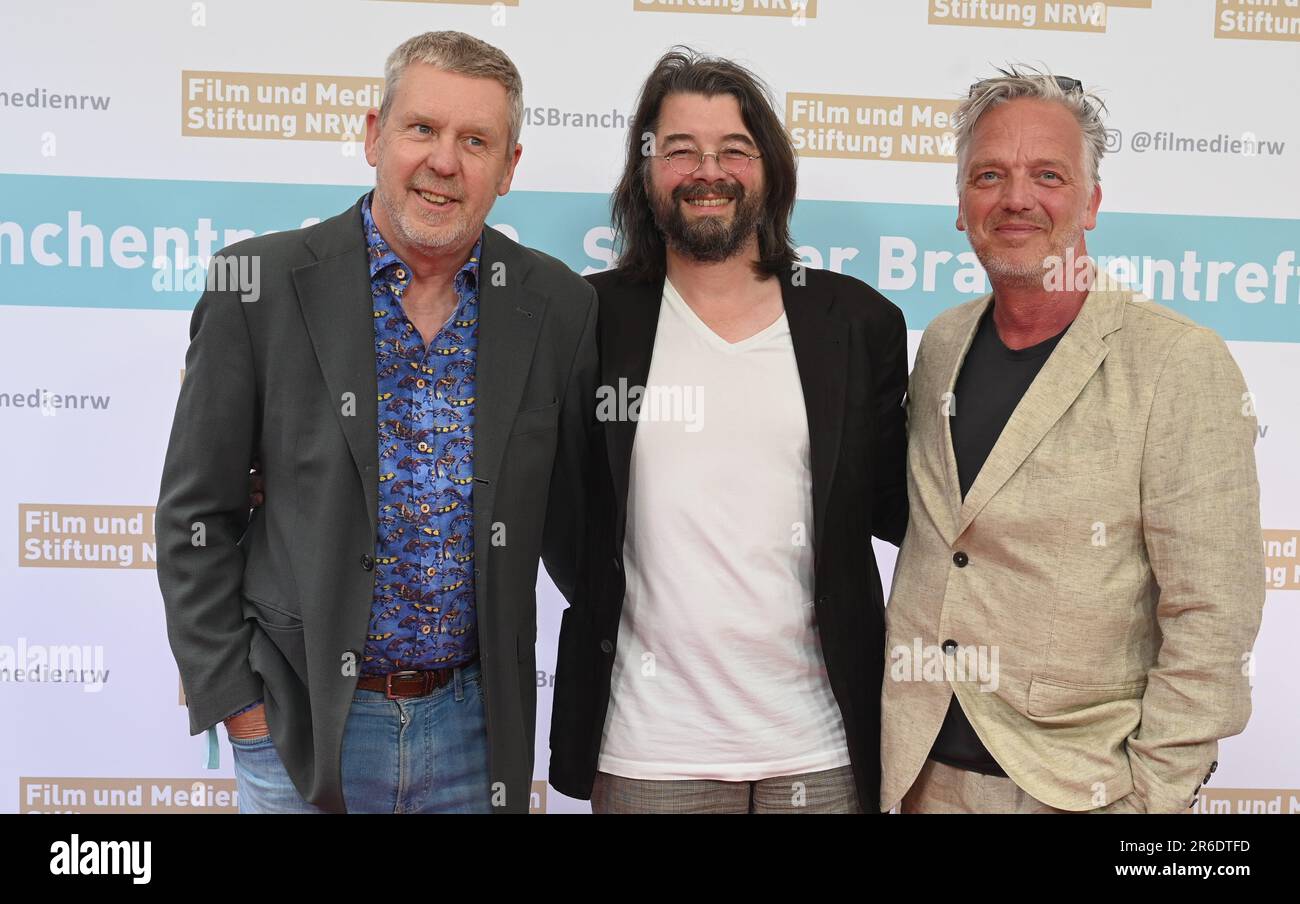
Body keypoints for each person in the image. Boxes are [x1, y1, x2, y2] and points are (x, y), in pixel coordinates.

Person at [157, 30, 596, 813]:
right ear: (374, 136)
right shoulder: (258, 286)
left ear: (508, 168)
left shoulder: (558, 306)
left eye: (476, 141)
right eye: (422, 128)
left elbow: (577, 525)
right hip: (302, 724)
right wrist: (238, 703)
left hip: (474, 732)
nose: (443, 162)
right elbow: (196, 514)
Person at [881, 66, 1265, 813]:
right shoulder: (941, 345)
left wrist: (1152, 798)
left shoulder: (1177, 362)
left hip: (1079, 789)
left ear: (1090, 201)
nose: (1016, 198)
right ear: (961, 204)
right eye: (989, 175)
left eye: (1048, 175)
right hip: (919, 775)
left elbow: (1214, 611)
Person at [548, 48, 909, 814]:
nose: (707, 172)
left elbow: (893, 508)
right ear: (646, 171)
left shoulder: (858, 323)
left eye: (734, 150)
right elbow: (565, 523)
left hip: (823, 751)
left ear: (770, 169)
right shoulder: (589, 320)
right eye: (680, 150)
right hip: (651, 751)